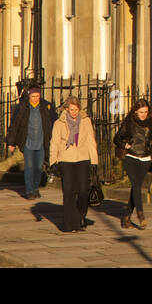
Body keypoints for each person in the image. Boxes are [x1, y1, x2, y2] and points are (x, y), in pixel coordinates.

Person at [49, 96, 99, 233]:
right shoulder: (59, 123)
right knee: (69, 192)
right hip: (66, 159)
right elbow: (54, 143)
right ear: (66, 109)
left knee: (83, 190)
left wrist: (94, 161)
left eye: (76, 109)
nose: (74, 112)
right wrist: (53, 161)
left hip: (83, 158)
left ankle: (80, 215)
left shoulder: (86, 121)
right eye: (71, 110)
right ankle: (69, 223)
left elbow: (90, 141)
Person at [4, 83, 57, 200]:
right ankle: (29, 191)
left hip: (41, 142)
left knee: (38, 168)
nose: (35, 98)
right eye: (33, 96)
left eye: (37, 96)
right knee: (29, 167)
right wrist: (11, 143)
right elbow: (15, 125)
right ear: (29, 96)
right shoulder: (23, 107)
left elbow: (54, 123)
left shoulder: (45, 106)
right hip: (27, 142)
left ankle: (35, 188)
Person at [113, 99, 152, 229]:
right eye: (141, 112)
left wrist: (150, 149)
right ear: (135, 111)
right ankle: (141, 215)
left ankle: (127, 217)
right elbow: (117, 138)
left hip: (145, 157)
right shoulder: (129, 122)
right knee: (136, 185)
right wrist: (124, 145)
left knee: (136, 187)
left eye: (145, 112)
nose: (143, 114)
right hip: (131, 156)